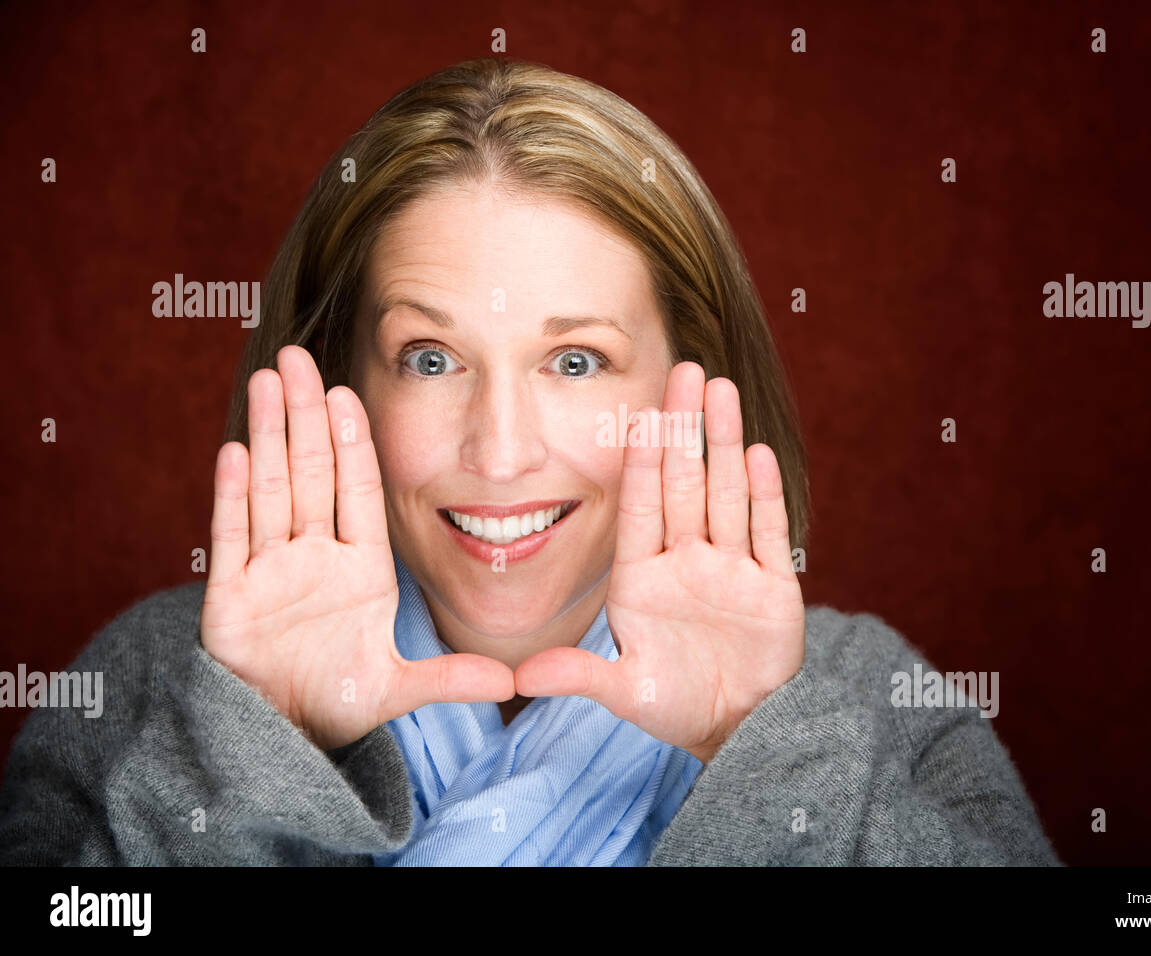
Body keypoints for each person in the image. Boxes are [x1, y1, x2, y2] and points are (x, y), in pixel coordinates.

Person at [0, 57, 1060, 866]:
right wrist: (245, 747)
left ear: (683, 382)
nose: (499, 450)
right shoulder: (151, 684)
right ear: (342, 386)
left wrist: (767, 746)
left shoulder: (866, 700)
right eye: (429, 356)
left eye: (575, 359)